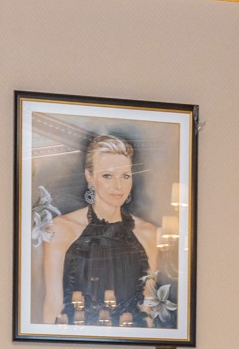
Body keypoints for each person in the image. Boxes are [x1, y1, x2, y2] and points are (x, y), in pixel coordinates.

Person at [39, 134, 160, 326]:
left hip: (133, 342)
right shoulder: (62, 229)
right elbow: (53, 304)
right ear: (90, 177)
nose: (118, 186)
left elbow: (149, 306)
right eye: (107, 176)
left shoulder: (147, 233)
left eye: (125, 176)